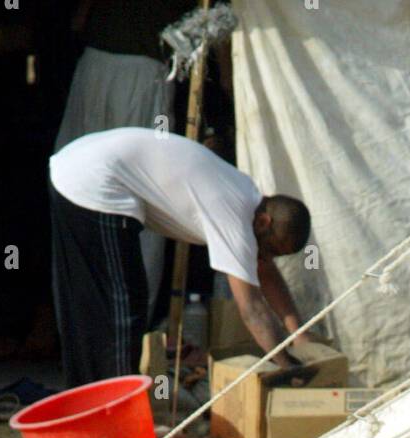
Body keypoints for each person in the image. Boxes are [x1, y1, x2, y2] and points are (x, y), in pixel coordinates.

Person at [49, 128, 310, 388]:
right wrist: (287, 366)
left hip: (81, 166)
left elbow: (265, 271)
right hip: (92, 181)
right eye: (272, 250)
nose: (267, 258)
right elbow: (251, 309)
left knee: (102, 305)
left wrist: (300, 335)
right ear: (264, 222)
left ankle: (93, 400)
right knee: (121, 309)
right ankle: (114, 409)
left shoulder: (247, 198)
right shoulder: (236, 216)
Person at [54, 0, 188, 320]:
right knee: (108, 188)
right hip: (112, 64)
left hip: (133, 67)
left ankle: (120, 320)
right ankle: (103, 320)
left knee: (132, 193)